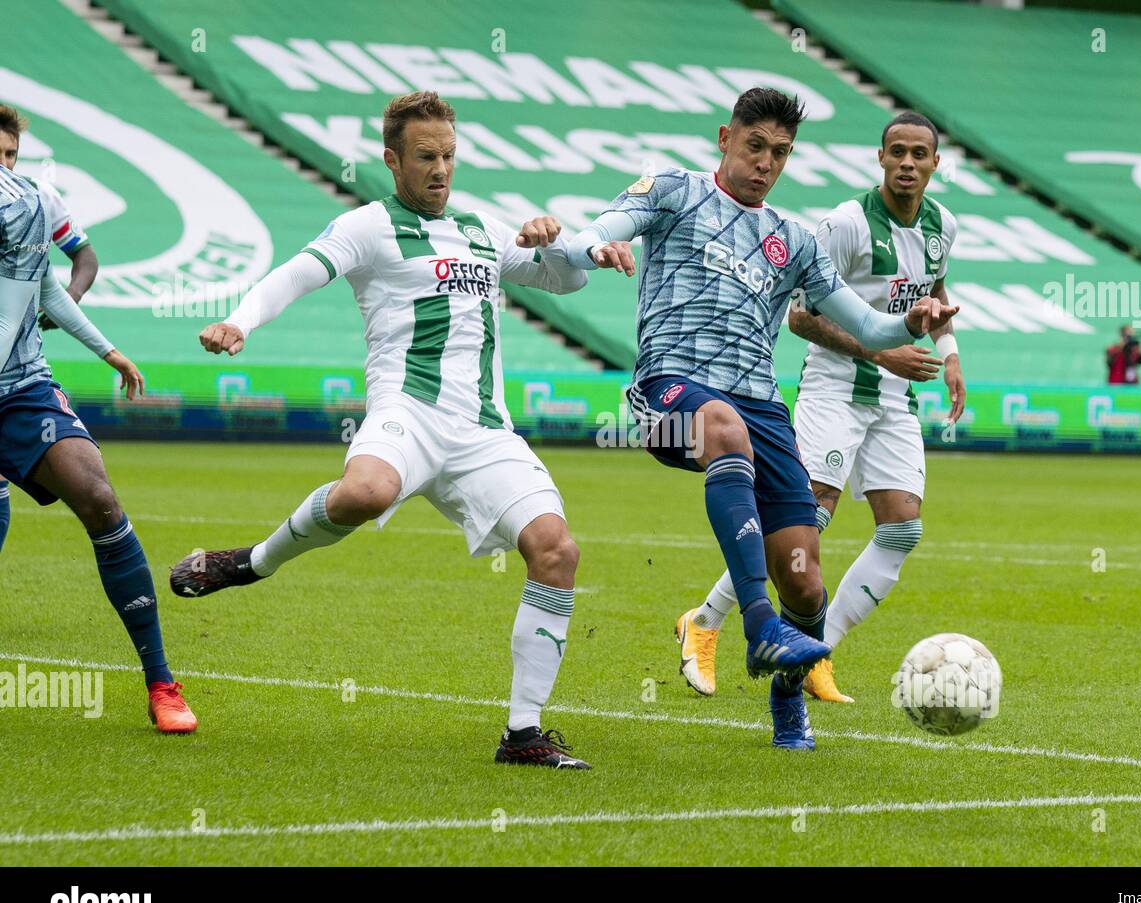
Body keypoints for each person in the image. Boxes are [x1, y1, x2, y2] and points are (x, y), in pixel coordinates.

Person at [168, 92, 630, 769]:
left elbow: (562, 282)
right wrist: (241, 321)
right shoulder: (367, 226)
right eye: (425, 157)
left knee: (556, 550)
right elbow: (295, 276)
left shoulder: (480, 225)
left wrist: (560, 242)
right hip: (406, 413)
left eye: (447, 155)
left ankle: (522, 735)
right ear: (392, 160)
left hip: (482, 431)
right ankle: (252, 563)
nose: (440, 169)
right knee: (366, 493)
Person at [562, 89, 955, 749]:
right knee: (723, 427)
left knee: (803, 576)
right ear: (726, 138)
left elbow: (864, 323)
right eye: (755, 147)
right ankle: (753, 623)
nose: (766, 163)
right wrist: (591, 251)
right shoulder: (671, 190)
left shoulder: (794, 239)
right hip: (669, 398)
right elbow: (595, 232)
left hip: (761, 411)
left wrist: (910, 323)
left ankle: (786, 698)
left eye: (780, 153)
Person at [677, 111, 965, 705]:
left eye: (919, 154)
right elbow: (801, 315)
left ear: (936, 164)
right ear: (880, 158)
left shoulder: (944, 227)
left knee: (903, 527)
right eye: (897, 152)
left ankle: (815, 652)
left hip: (893, 397)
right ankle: (704, 620)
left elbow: (934, 290)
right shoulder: (847, 224)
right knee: (806, 520)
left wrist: (950, 350)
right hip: (835, 388)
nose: (907, 163)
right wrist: (881, 355)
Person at [0, 165, 194, 732]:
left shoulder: (29, 203)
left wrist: (106, 350)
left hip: (20, 389)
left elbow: (46, 286)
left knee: (99, 497)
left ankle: (161, 683)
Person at [0, 103, 105, 553]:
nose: (4, 163)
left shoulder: (38, 200)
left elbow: (85, 257)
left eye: (11, 154)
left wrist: (67, 300)